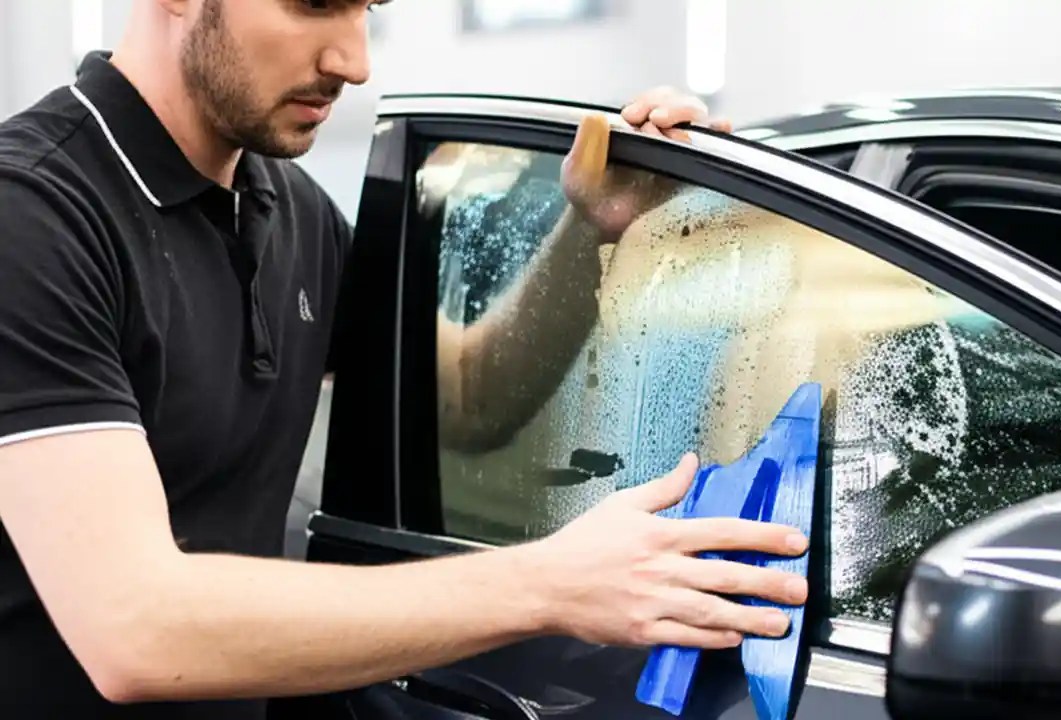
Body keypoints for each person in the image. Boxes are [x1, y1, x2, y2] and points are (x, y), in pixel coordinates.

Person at [0, 0, 810, 716]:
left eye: (367, 8)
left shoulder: (288, 208)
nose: (354, 61)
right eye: (314, 3)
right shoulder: (33, 215)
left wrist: (588, 230)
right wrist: (549, 587)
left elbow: (462, 396)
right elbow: (136, 629)